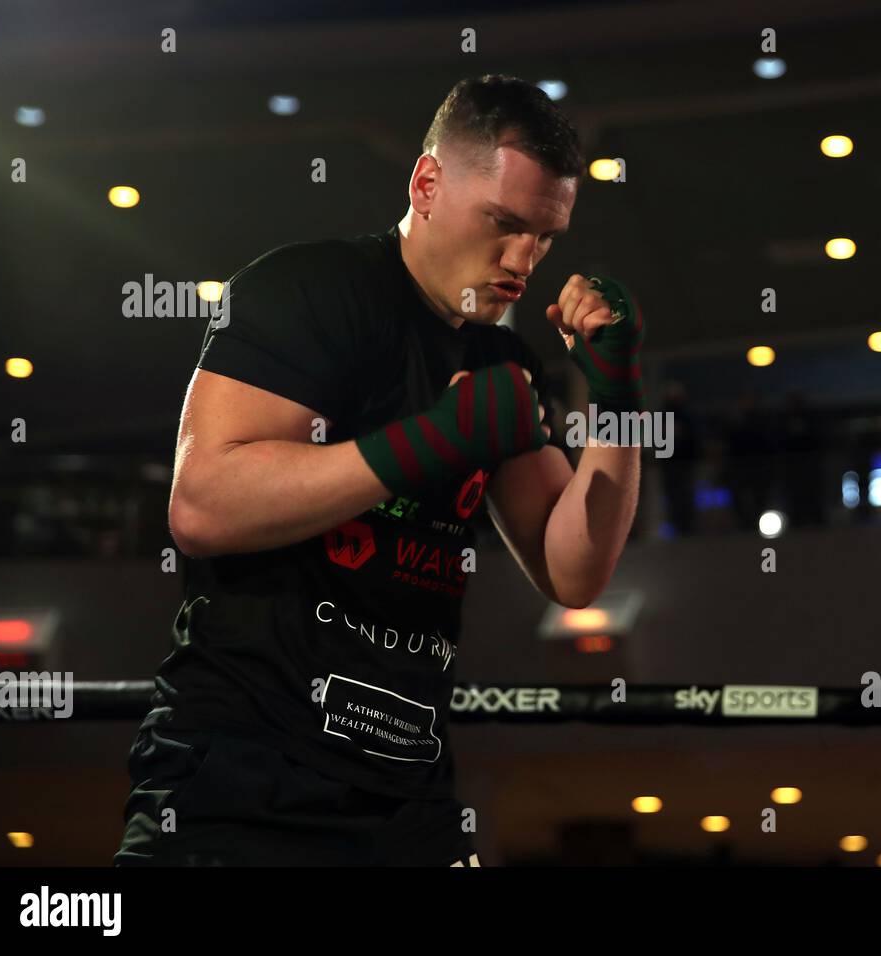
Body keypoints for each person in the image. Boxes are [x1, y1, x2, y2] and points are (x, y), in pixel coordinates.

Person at [114, 75, 647, 866]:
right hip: (243, 783)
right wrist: (429, 444)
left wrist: (616, 396)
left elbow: (573, 571)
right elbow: (202, 505)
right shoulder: (307, 290)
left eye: (544, 237)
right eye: (503, 224)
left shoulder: (500, 359)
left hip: (407, 796)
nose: (521, 260)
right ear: (427, 183)